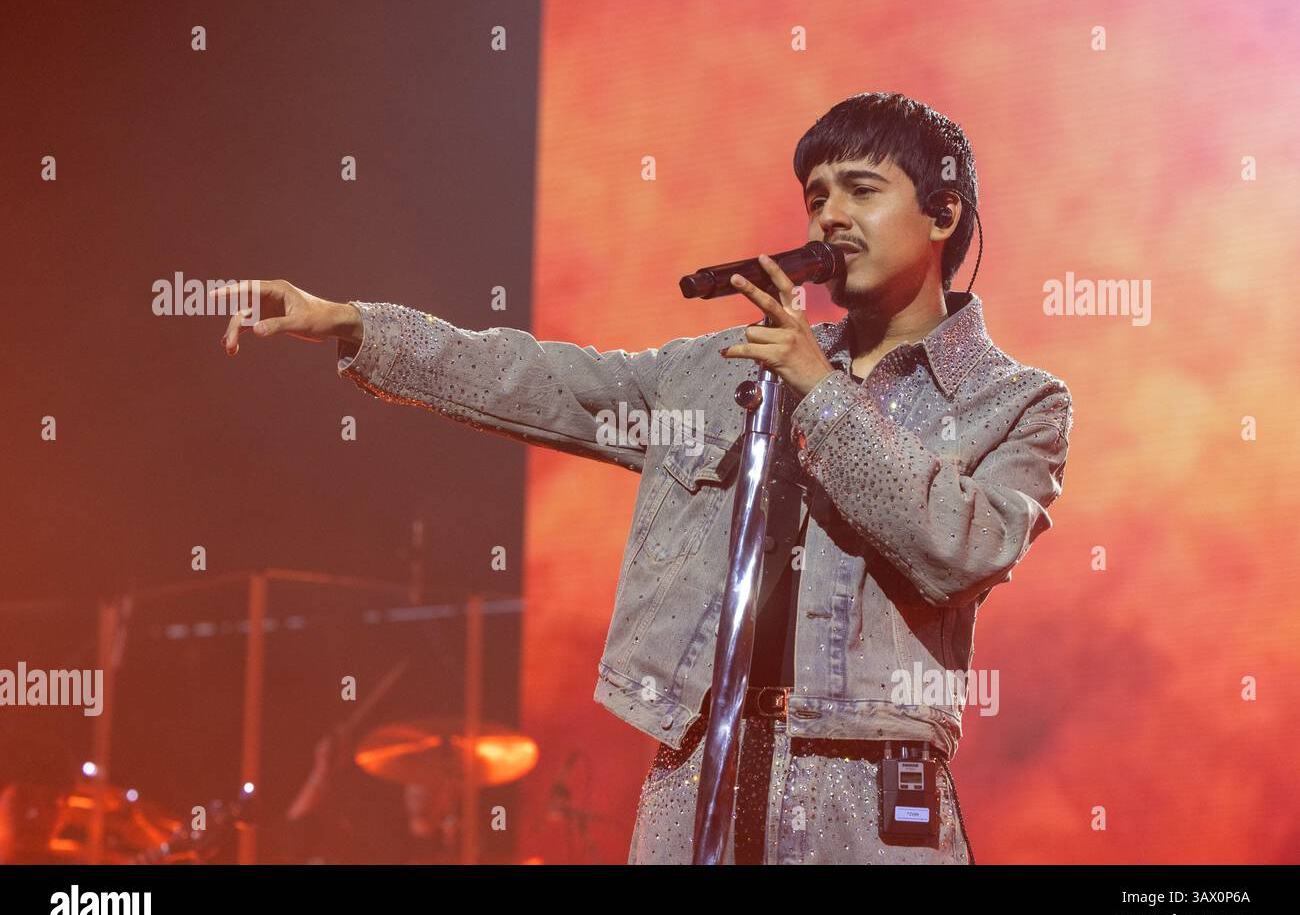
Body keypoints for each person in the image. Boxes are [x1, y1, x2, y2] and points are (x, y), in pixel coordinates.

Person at [214, 91, 1072, 864]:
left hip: (870, 804)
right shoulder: (724, 370)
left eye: (860, 189)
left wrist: (824, 396)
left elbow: (962, 544)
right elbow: (546, 382)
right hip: (697, 774)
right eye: (815, 196)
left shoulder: (1017, 402)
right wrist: (357, 324)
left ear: (944, 211)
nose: (829, 217)